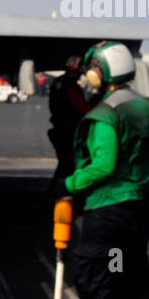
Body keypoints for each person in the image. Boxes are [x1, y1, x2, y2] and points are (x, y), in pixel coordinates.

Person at [62, 41, 149, 299]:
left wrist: (70, 183)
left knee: (98, 287)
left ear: (99, 72)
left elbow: (102, 165)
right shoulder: (145, 107)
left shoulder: (104, 114)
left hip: (107, 212)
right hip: (137, 210)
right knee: (133, 286)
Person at [47, 56, 92, 195]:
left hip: (59, 129)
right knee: (69, 165)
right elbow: (83, 109)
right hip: (69, 132)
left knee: (64, 165)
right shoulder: (71, 86)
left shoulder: (57, 83)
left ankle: (55, 192)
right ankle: (61, 194)